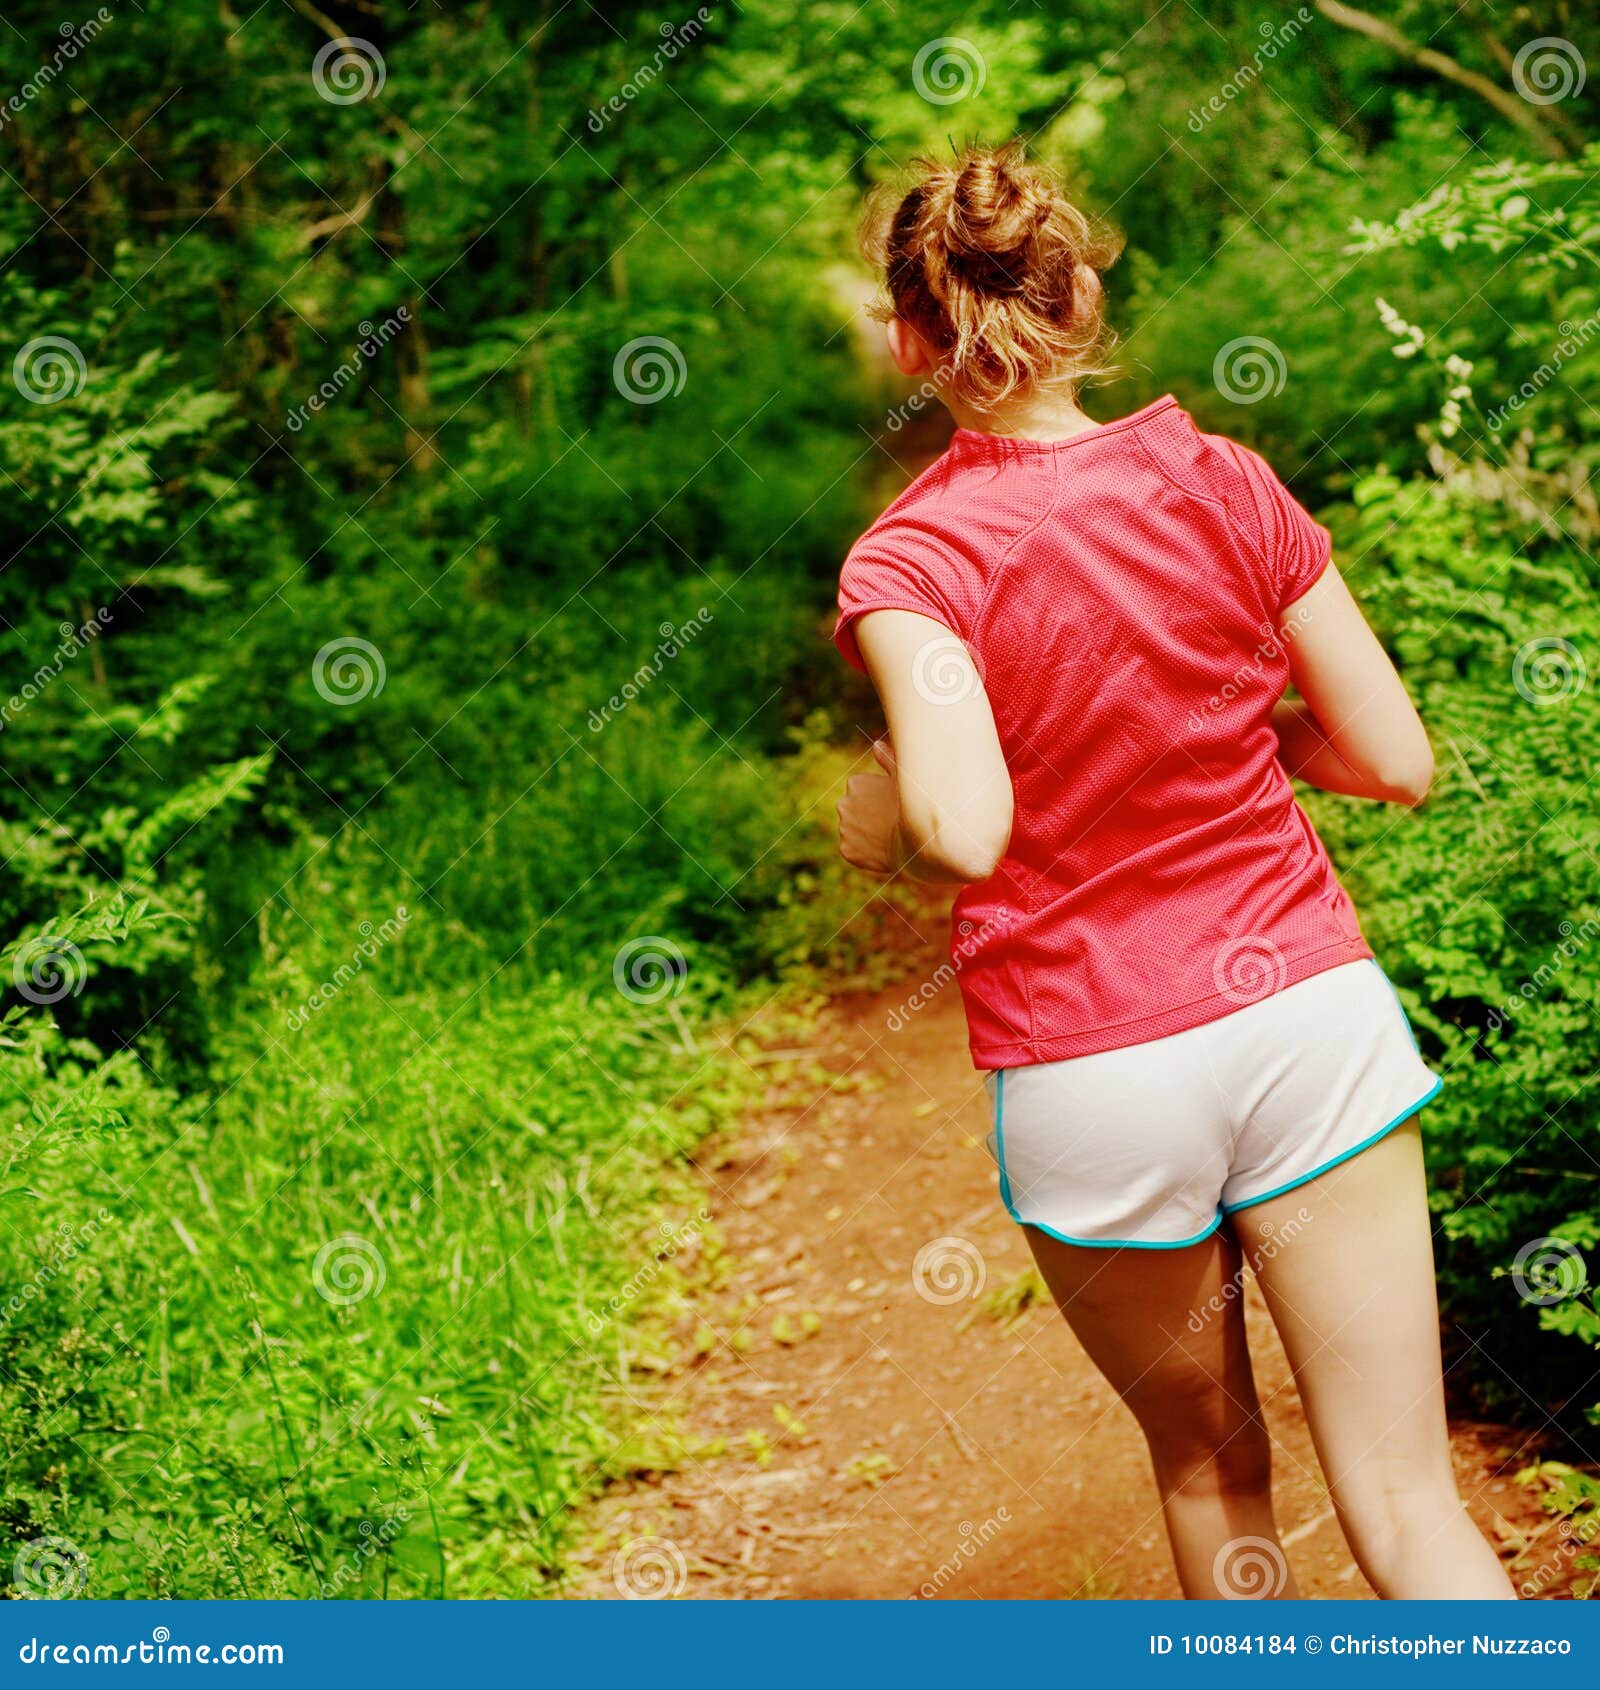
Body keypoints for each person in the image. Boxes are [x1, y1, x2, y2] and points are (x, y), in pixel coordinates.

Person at [832, 142, 1514, 1601]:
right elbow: (1395, 757)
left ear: (911, 343)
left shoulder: (911, 561)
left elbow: (967, 828)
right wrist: (1244, 732)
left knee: (1213, 1471)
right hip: (1308, 1023)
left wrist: (891, 806)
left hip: (1098, 1068)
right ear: (1080, 300)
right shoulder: (1225, 484)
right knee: (1409, 1500)